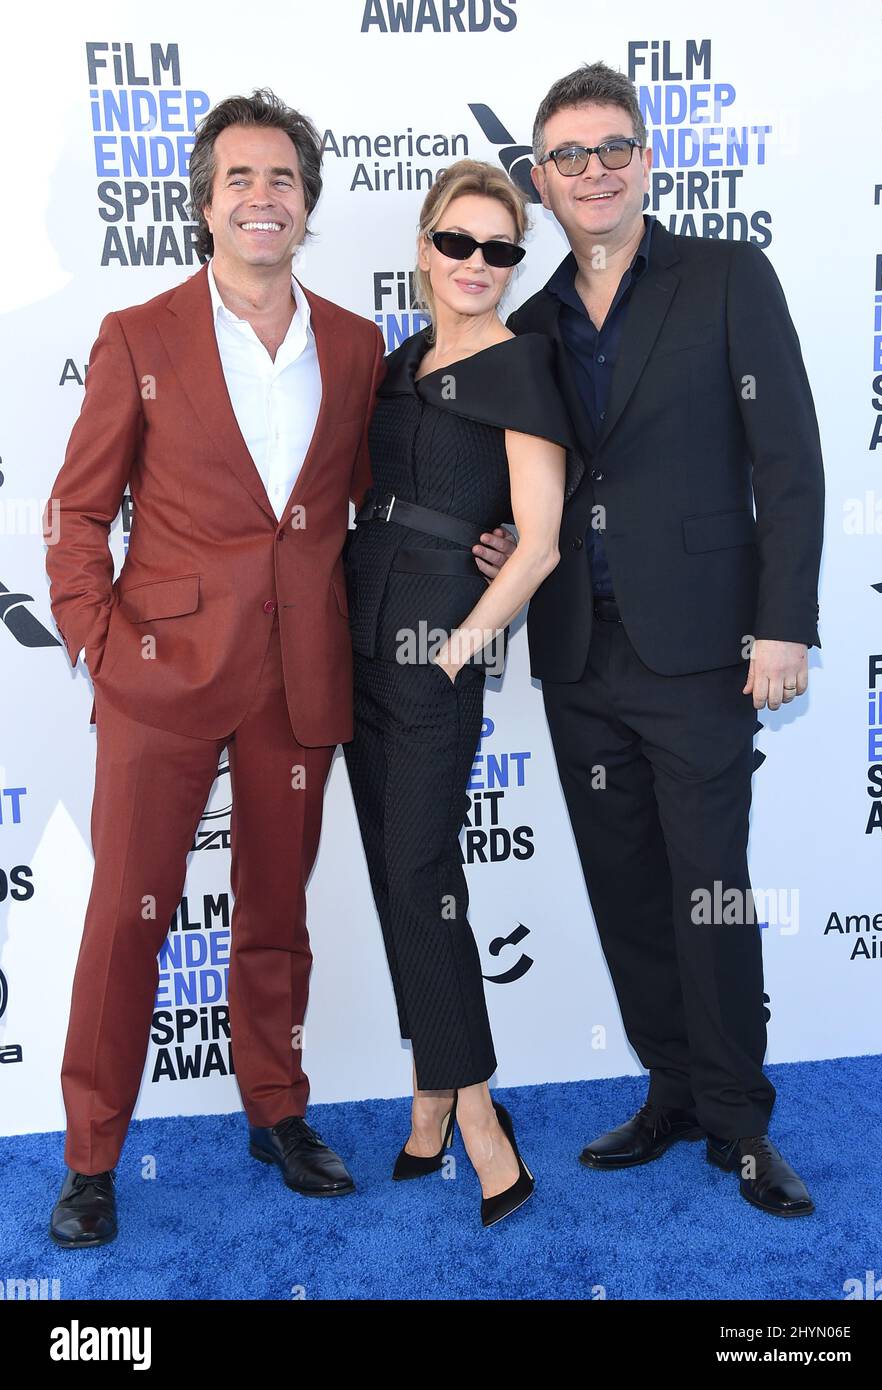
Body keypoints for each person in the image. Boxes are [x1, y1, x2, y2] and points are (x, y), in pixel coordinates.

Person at [41, 91, 514, 1248]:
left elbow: (382, 494)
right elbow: (76, 510)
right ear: (204, 203)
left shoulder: (354, 346)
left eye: (283, 180)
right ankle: (94, 1154)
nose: (263, 197)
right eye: (240, 178)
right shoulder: (137, 334)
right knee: (123, 920)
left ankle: (276, 1111)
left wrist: (479, 540)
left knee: (274, 913)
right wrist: (99, 641)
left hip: (298, 672)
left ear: (308, 205)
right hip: (158, 674)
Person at [506, 62, 825, 1217]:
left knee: (712, 894)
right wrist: (504, 548)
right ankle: (673, 1090)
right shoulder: (531, 320)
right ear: (541, 182)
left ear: (645, 159)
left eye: (610, 147)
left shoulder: (729, 276)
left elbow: (788, 462)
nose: (591, 170)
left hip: (700, 653)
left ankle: (740, 1123)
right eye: (566, 157)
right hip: (579, 651)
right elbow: (535, 486)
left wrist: (783, 621)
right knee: (628, 891)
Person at [343, 159, 579, 1226]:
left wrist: (457, 651)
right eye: (458, 242)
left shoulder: (523, 367)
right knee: (396, 877)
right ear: (425, 246)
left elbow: (535, 543)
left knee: (425, 871)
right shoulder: (399, 363)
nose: (476, 265)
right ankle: (429, 1090)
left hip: (436, 645)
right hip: (354, 633)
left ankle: (477, 1109)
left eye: (500, 250)